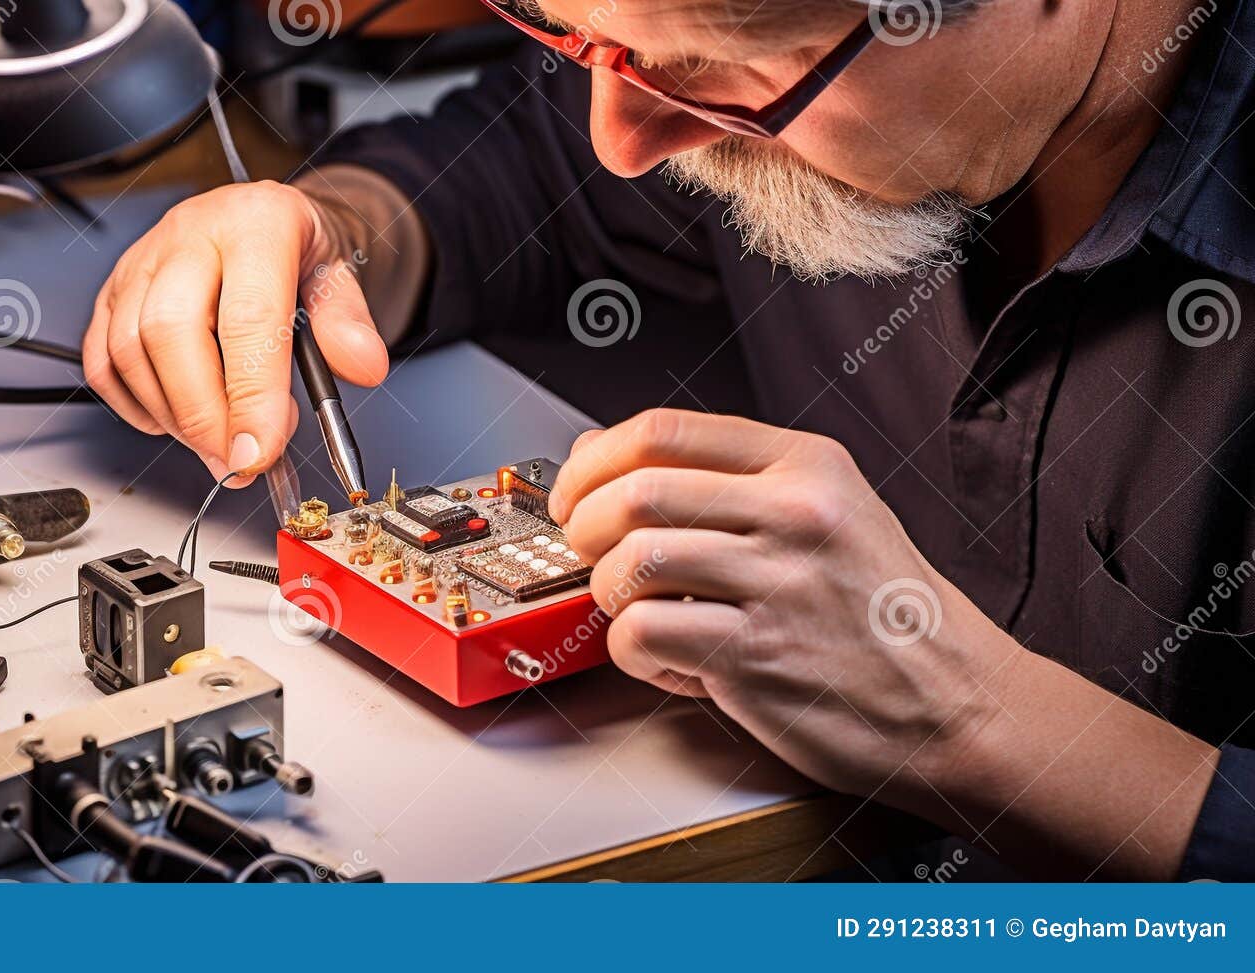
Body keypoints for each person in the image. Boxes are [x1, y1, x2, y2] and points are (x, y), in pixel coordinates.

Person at [82, 0, 1255, 879]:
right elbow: (524, 170)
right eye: (565, 27)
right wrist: (322, 237)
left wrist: (973, 723)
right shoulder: (722, 61)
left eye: (704, 69)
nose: (623, 140)